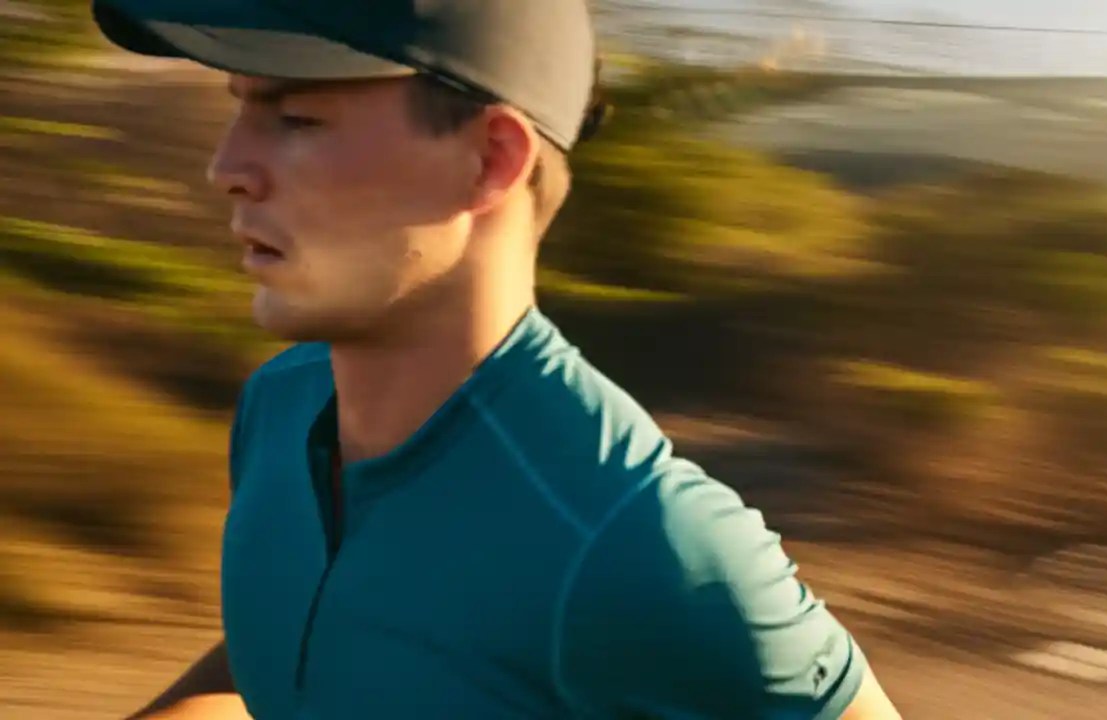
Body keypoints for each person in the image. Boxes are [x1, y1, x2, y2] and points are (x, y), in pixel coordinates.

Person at [92, 1, 903, 718]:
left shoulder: (629, 538)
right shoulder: (281, 406)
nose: (226, 167)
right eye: (238, 109)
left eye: (296, 118)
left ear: (490, 161)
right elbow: (310, 645)